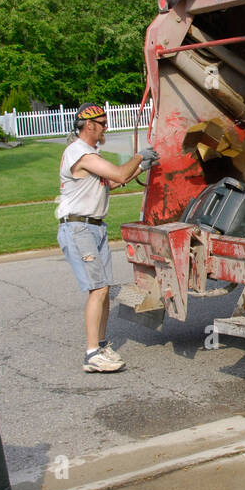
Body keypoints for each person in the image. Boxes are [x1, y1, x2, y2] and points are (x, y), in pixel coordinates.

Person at [57, 103, 154, 373]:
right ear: (89, 125)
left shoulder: (89, 153)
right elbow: (120, 173)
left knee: (104, 290)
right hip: (78, 228)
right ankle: (91, 355)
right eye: (102, 123)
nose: (105, 128)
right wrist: (139, 156)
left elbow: (112, 182)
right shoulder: (79, 153)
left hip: (94, 227)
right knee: (97, 290)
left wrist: (143, 167)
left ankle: (100, 345)